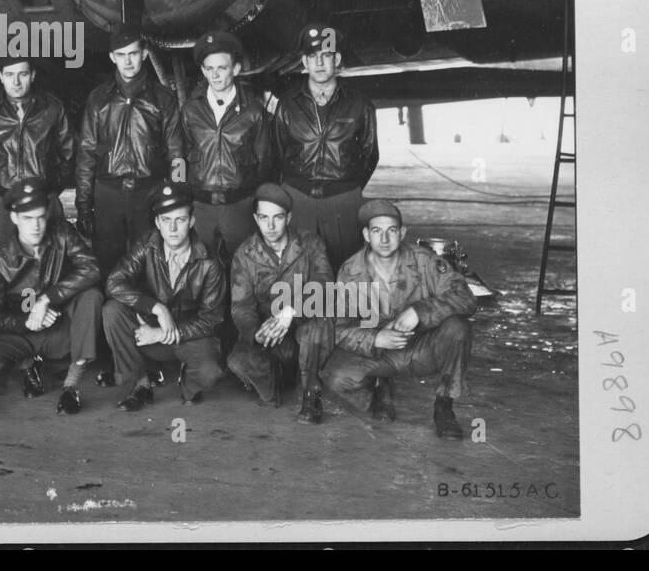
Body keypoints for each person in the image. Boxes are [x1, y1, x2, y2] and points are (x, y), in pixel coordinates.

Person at [324, 199, 477, 438]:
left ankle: (444, 406)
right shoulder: (351, 270)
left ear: (402, 232)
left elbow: (465, 297)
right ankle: (380, 387)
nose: (384, 239)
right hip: (379, 353)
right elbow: (338, 328)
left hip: (420, 347)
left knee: (459, 328)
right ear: (366, 235)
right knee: (335, 378)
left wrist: (420, 311)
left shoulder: (424, 260)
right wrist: (375, 339)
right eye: (377, 231)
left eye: (392, 230)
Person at [0, 178, 103, 415]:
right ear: (14, 218)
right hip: (22, 333)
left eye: (40, 218)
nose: (35, 226)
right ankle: (30, 364)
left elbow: (92, 268)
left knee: (91, 297)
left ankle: (71, 385)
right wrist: (26, 321)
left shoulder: (63, 233)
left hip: (59, 328)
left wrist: (47, 299)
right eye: (27, 218)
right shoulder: (1, 261)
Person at [102, 182, 225, 410]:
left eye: (180, 220)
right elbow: (114, 282)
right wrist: (157, 308)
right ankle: (140, 384)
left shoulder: (209, 261)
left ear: (191, 221)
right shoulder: (147, 245)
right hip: (148, 329)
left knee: (209, 372)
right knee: (112, 311)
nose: (173, 228)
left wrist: (162, 333)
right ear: (158, 223)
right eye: (166, 220)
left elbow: (211, 320)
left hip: (188, 336)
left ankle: (187, 381)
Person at [76, 23, 185, 273]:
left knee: (149, 266)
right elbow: (86, 154)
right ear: (112, 57)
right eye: (121, 55)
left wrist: (177, 196)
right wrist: (83, 204)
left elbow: (176, 152)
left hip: (149, 192)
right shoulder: (98, 99)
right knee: (106, 265)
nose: (128, 61)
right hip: (108, 194)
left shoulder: (163, 98)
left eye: (133, 54)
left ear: (144, 54)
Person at [271, 22, 379, 269]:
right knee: (298, 269)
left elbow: (370, 154)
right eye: (312, 56)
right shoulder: (288, 104)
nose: (319, 63)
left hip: (343, 201)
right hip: (299, 199)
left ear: (337, 59)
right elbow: (277, 152)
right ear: (304, 62)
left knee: (346, 270)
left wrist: (346, 187)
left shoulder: (359, 104)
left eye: (326, 55)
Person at [226, 183, 334, 424]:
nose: (271, 225)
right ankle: (276, 382)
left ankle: (310, 394)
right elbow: (241, 306)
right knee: (237, 361)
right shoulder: (245, 254)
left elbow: (325, 284)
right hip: (271, 334)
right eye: (264, 218)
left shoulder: (310, 244)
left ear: (289, 218)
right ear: (256, 219)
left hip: (303, 326)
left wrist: (291, 311)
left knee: (317, 326)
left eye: (278, 217)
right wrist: (257, 333)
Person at [0, 58, 75, 265]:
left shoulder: (53, 108)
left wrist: (51, 190)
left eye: (23, 74)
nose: (16, 82)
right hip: (1, 204)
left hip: (45, 201)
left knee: (51, 266)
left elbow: (69, 153)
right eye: (9, 75)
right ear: (1, 77)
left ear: (33, 75)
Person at [182, 31, 272, 265]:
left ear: (236, 69)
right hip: (200, 207)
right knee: (200, 271)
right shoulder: (190, 110)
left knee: (245, 268)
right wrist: (182, 196)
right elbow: (179, 156)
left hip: (239, 206)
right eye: (209, 68)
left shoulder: (254, 112)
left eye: (222, 68)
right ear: (203, 71)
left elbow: (264, 161)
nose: (215, 75)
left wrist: (252, 198)